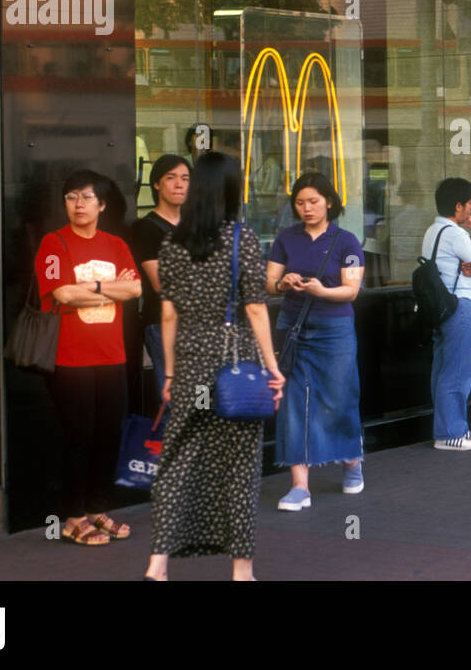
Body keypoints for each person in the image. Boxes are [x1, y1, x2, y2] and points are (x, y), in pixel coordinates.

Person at [144, 152, 285, 581]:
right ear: (231, 190)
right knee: (239, 468)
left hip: (189, 366)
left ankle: (158, 565)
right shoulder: (240, 239)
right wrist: (273, 367)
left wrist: (168, 372)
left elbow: (167, 315)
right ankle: (241, 571)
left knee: (177, 463)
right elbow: (257, 310)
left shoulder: (172, 243)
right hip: (234, 368)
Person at [36, 168, 142, 547]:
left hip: (112, 355)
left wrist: (93, 287)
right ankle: (73, 517)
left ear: (102, 204)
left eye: (85, 197)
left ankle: (97, 508)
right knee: (78, 436)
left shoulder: (115, 244)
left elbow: (134, 288)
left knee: (108, 434)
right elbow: (61, 294)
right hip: (69, 358)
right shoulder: (54, 243)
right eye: (71, 197)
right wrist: (109, 292)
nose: (78, 204)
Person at [268, 172, 366, 509]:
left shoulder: (347, 240)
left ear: (328, 201)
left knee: (339, 397)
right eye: (300, 202)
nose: (307, 208)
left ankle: (352, 459)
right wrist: (284, 284)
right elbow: (269, 283)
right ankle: (299, 486)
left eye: (313, 201)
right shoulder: (286, 238)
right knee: (293, 405)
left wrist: (321, 291)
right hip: (294, 326)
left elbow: (351, 290)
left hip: (334, 329)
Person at [422, 178, 471, 450]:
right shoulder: (456, 233)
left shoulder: (432, 231)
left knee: (442, 369)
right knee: (458, 371)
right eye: (470, 203)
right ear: (458, 206)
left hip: (439, 307)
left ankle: (455, 425)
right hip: (458, 304)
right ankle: (449, 433)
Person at [130, 155, 191, 401]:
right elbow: (162, 284)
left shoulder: (196, 226)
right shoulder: (145, 229)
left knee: (202, 401)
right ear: (156, 184)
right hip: (164, 325)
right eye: (171, 178)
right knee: (175, 402)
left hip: (202, 327)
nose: (179, 184)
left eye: (185, 178)